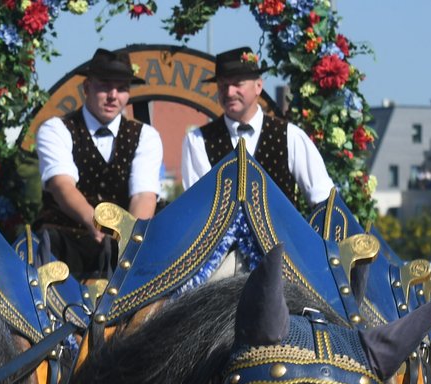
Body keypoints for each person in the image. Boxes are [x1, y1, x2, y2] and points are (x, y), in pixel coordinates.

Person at [32, 48, 161, 278]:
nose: (113, 95)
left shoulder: (146, 136)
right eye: (105, 86)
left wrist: (129, 241)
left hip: (120, 245)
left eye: (121, 88)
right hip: (64, 241)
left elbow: (144, 195)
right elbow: (62, 186)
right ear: (87, 87)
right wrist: (94, 222)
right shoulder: (55, 129)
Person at [180, 48, 335, 207]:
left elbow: (324, 199)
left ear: (258, 86)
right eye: (223, 85)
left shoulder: (290, 136)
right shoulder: (198, 141)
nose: (229, 92)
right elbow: (197, 207)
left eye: (237, 84)